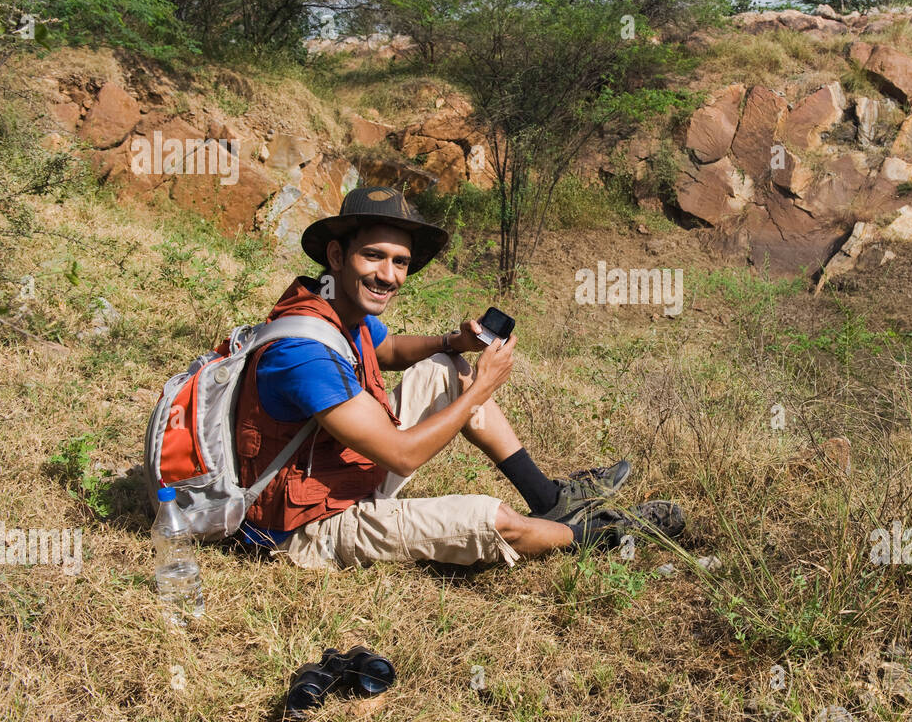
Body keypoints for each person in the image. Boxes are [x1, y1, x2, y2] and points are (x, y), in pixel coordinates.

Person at [234, 185, 684, 570]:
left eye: (400, 262)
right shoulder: (304, 352)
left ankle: (547, 497)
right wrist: (484, 385)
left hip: (333, 471)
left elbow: (387, 350)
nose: (388, 276)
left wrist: (453, 343)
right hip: (304, 525)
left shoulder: (337, 305)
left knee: (448, 368)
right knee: (493, 519)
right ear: (337, 254)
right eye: (373, 256)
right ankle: (596, 535)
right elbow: (402, 456)